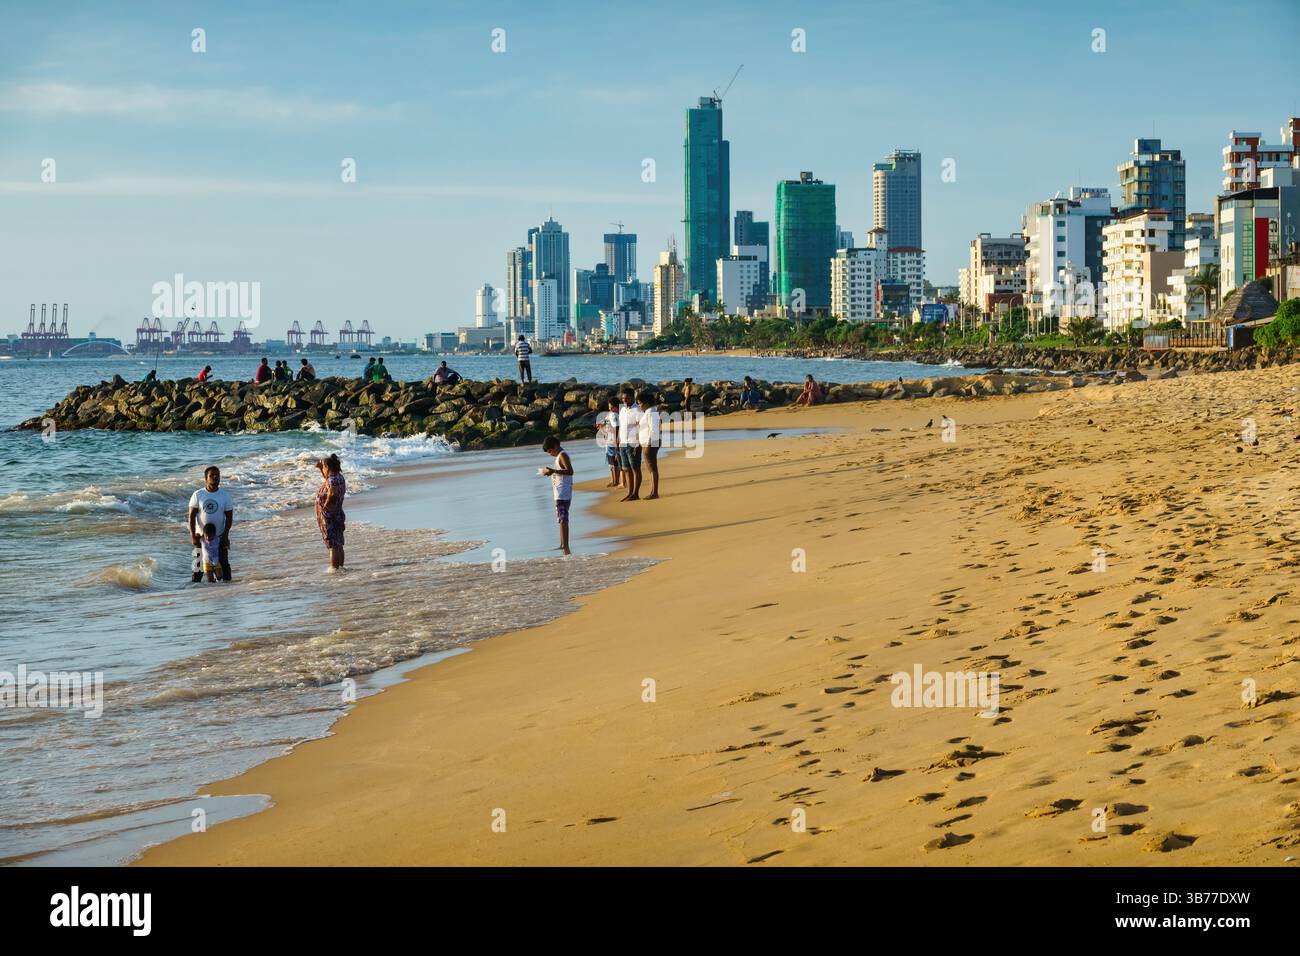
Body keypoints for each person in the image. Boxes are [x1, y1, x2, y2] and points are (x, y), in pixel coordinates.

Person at [188, 465, 233, 582]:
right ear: (206, 478)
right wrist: (193, 535)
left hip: (219, 537)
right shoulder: (198, 495)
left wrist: (225, 535)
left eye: (217, 475)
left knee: (224, 565)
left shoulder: (225, 495)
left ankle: (229, 590)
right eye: (211, 475)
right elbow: (191, 516)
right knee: (197, 567)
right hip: (201, 538)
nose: (215, 477)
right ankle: (195, 592)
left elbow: (229, 517)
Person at [540, 435, 573, 556]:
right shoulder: (560, 456)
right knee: (561, 519)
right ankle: (562, 543)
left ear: (555, 446)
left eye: (550, 451)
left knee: (563, 519)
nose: (550, 454)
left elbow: (570, 471)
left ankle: (565, 545)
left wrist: (553, 471)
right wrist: (551, 472)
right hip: (561, 492)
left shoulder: (562, 455)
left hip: (563, 492)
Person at [314, 453, 346, 571]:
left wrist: (325, 507)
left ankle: (334, 569)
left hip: (329, 516)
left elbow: (333, 494)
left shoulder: (332, 481)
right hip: (337, 514)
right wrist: (320, 468)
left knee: (332, 545)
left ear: (328, 467)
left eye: (324, 467)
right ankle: (341, 568)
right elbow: (327, 479)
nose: (323, 470)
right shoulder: (338, 477)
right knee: (338, 544)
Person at [617, 387, 642, 502]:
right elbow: (621, 427)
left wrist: (638, 444)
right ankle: (630, 492)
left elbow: (641, 428)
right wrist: (618, 441)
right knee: (626, 469)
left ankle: (635, 493)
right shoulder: (622, 410)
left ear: (633, 397)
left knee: (635, 468)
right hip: (623, 443)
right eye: (623, 398)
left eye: (627, 398)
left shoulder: (638, 410)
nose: (624, 400)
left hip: (633, 444)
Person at [638, 389, 662, 500]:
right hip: (648, 443)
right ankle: (653, 491)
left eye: (640, 403)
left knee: (652, 468)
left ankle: (654, 492)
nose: (639, 406)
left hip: (651, 442)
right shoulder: (648, 412)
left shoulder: (651, 412)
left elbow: (654, 430)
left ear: (646, 403)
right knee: (650, 468)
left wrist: (648, 445)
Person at [599, 398, 621, 487]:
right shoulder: (611, 414)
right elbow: (609, 425)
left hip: (612, 441)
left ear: (616, 407)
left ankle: (615, 481)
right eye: (609, 407)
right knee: (611, 463)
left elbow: (617, 427)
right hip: (609, 441)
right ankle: (613, 480)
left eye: (612, 407)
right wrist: (603, 426)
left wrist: (616, 442)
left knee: (614, 463)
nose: (610, 409)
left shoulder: (614, 415)